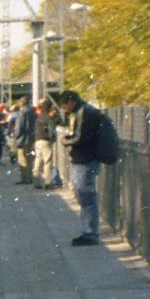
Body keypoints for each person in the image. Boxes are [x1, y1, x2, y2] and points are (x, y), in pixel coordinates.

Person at [57, 89, 111, 246]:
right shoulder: (85, 111)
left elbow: (80, 137)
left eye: (64, 106)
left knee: (85, 196)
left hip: (85, 160)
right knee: (83, 195)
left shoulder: (85, 113)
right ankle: (88, 231)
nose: (64, 110)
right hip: (85, 159)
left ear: (71, 101)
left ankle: (90, 233)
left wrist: (65, 141)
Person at [32, 99, 57, 188]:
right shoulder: (48, 118)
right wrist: (53, 138)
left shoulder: (39, 117)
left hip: (37, 140)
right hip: (45, 141)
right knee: (47, 161)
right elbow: (50, 132)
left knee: (38, 161)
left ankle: (36, 182)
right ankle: (48, 182)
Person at [9, 102, 36, 184]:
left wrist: (16, 136)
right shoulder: (33, 112)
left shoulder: (21, 113)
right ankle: (31, 177)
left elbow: (19, 126)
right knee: (30, 159)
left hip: (22, 139)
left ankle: (25, 178)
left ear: (22, 103)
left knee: (22, 160)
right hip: (31, 138)